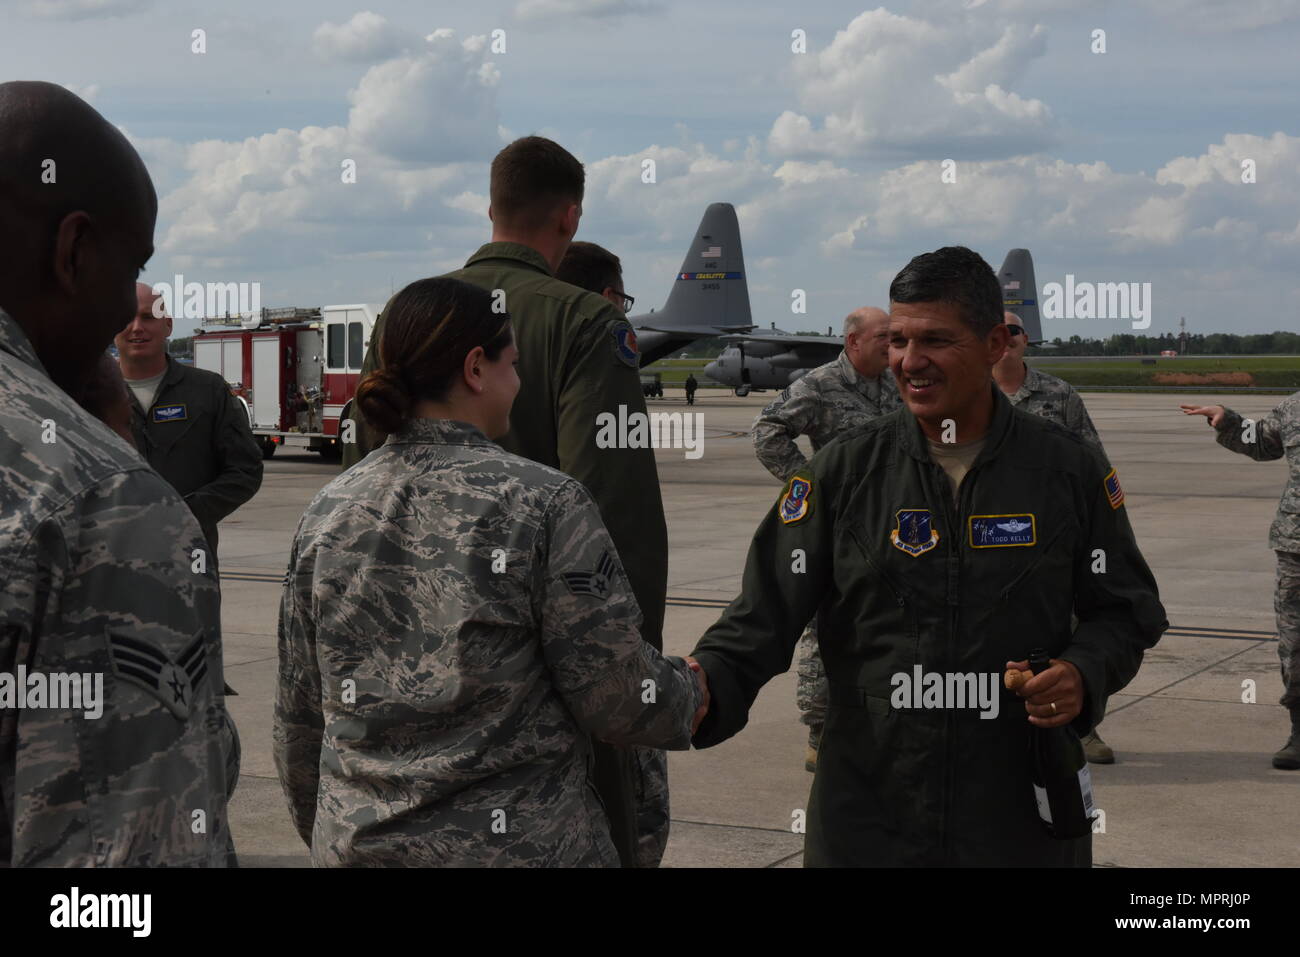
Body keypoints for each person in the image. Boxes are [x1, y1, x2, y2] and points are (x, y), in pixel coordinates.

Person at [688, 246, 1167, 865]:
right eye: (897, 341)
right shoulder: (844, 472)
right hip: (870, 812)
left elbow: (1127, 610)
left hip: (1018, 813)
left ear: (996, 342)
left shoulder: (1066, 471)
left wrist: (1083, 673)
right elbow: (763, 614)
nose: (910, 363)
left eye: (937, 341)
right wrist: (700, 686)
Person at [274, 277, 706, 866]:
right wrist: (690, 690)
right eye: (514, 365)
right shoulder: (545, 503)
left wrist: (338, 832)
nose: (519, 383)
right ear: (476, 369)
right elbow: (617, 697)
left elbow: (299, 721)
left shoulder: (326, 512)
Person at [341, 136, 667, 868]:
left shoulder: (408, 312)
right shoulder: (587, 321)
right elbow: (615, 512)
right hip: (550, 675)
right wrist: (631, 673)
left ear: (490, 209)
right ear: (570, 218)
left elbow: (372, 475)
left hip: (412, 667)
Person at [0, 80, 234, 866]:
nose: (126, 313)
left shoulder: (197, 395)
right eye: (129, 264)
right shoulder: (98, 497)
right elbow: (129, 860)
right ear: (73, 251)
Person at [554, 238, 670, 866]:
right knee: (632, 807)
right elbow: (618, 509)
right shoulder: (594, 331)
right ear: (606, 296)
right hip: (597, 645)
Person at [750, 306, 901, 770]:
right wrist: (811, 488)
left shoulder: (897, 384)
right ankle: (820, 730)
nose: (891, 345)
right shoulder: (818, 385)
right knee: (827, 624)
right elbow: (767, 432)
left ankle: (889, 719)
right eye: (884, 337)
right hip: (840, 528)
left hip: (898, 526)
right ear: (854, 342)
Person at [993, 310, 1114, 764]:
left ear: (1027, 340)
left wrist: (1101, 529)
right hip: (986, 535)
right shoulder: (968, 396)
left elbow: (1094, 462)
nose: (1007, 339)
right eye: (999, 331)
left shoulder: (1059, 395)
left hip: (1051, 536)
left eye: (1016, 331)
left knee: (1070, 630)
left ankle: (1084, 728)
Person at [1180, 397, 1300, 769]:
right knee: (1295, 644)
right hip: (1295, 544)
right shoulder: (1294, 407)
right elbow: (1262, 441)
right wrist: (1227, 421)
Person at [116, 283, 264, 556]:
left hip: (189, 562)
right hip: (111, 563)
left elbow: (246, 471)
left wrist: (184, 514)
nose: (137, 327)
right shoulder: (86, 396)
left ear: (168, 326)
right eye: (126, 318)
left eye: (148, 317)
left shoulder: (208, 391)